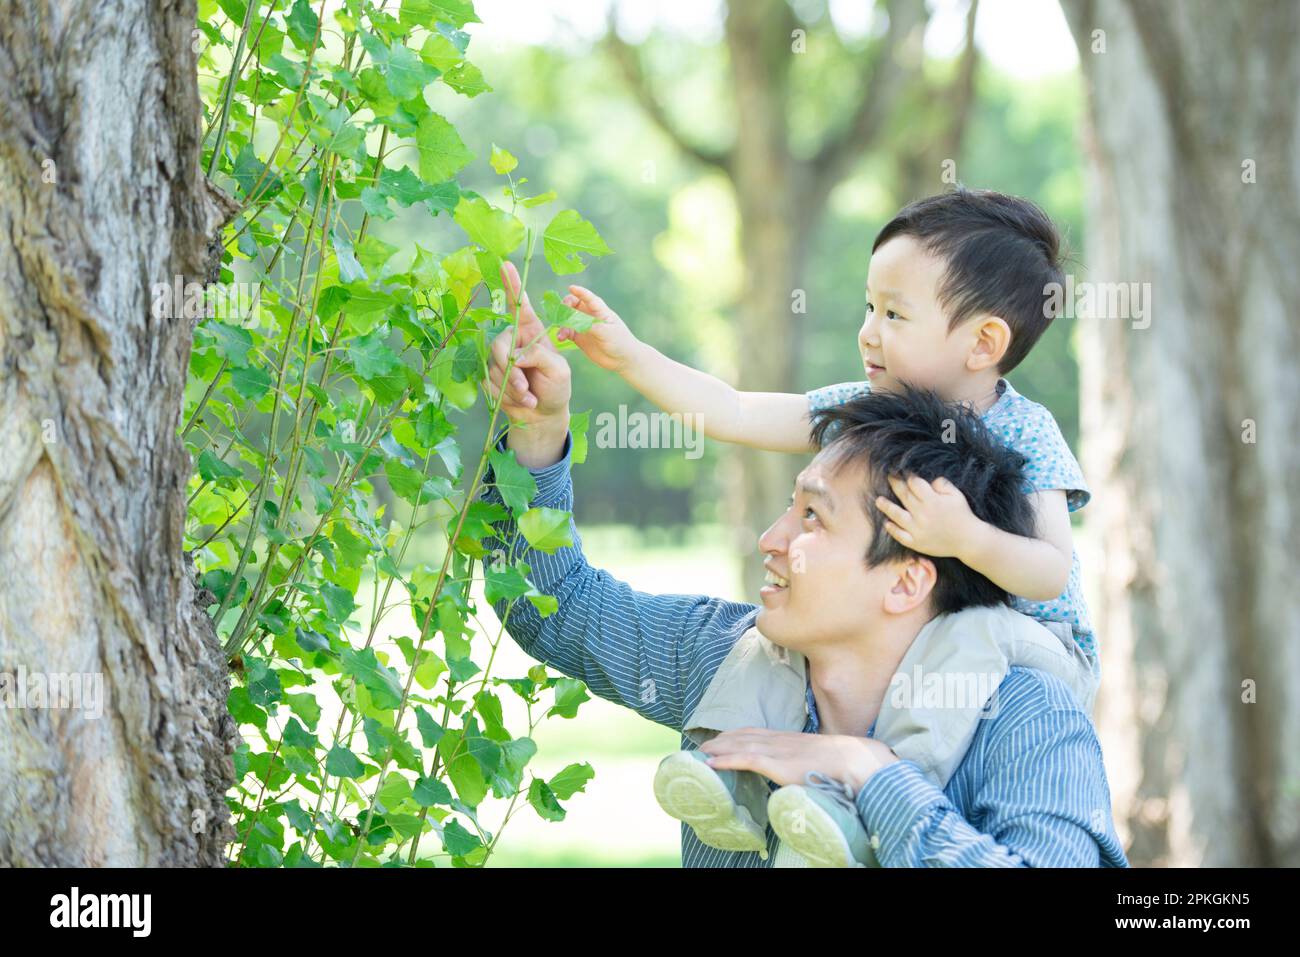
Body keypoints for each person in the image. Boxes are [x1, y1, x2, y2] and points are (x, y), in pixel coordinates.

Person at [476, 261, 1127, 867]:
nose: (769, 538)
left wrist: (872, 775)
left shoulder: (1025, 715)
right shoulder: (725, 656)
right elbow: (552, 604)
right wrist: (537, 431)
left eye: (812, 517)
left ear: (907, 578)